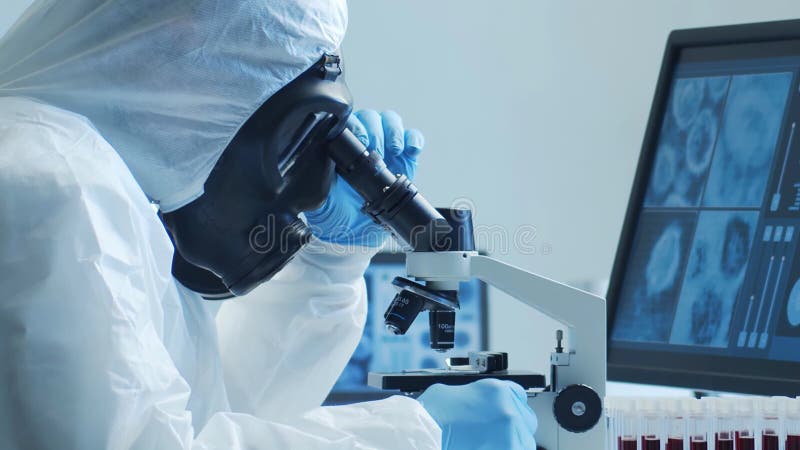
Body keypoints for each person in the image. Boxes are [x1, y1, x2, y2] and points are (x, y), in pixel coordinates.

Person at [0, 1, 537, 449]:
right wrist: (417, 435)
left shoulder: (121, 183)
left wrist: (327, 263)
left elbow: (214, 411)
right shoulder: (54, 182)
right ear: (186, 36)